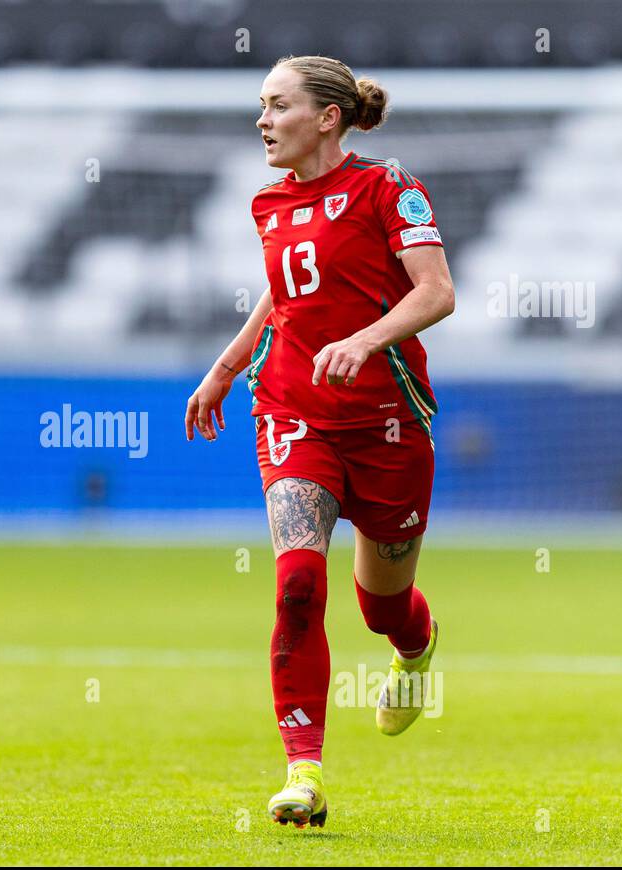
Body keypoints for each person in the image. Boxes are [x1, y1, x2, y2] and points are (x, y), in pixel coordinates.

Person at [185, 56, 456, 828]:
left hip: (387, 420)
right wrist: (227, 365)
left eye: (277, 105)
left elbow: (437, 292)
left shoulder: (387, 187)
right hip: (293, 409)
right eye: (260, 105)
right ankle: (303, 773)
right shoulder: (269, 202)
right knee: (299, 582)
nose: (262, 120)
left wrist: (367, 340)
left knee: (381, 607)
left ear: (327, 117)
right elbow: (286, 288)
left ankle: (417, 645)